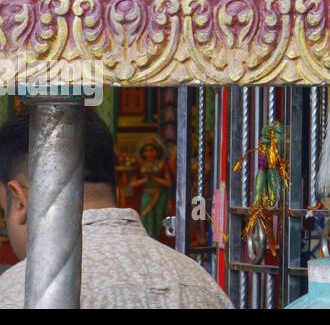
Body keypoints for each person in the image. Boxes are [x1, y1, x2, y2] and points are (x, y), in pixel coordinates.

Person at [0, 108, 232, 309]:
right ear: (116, 187)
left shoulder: (14, 294)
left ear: (20, 200)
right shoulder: (202, 287)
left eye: (3, 210)